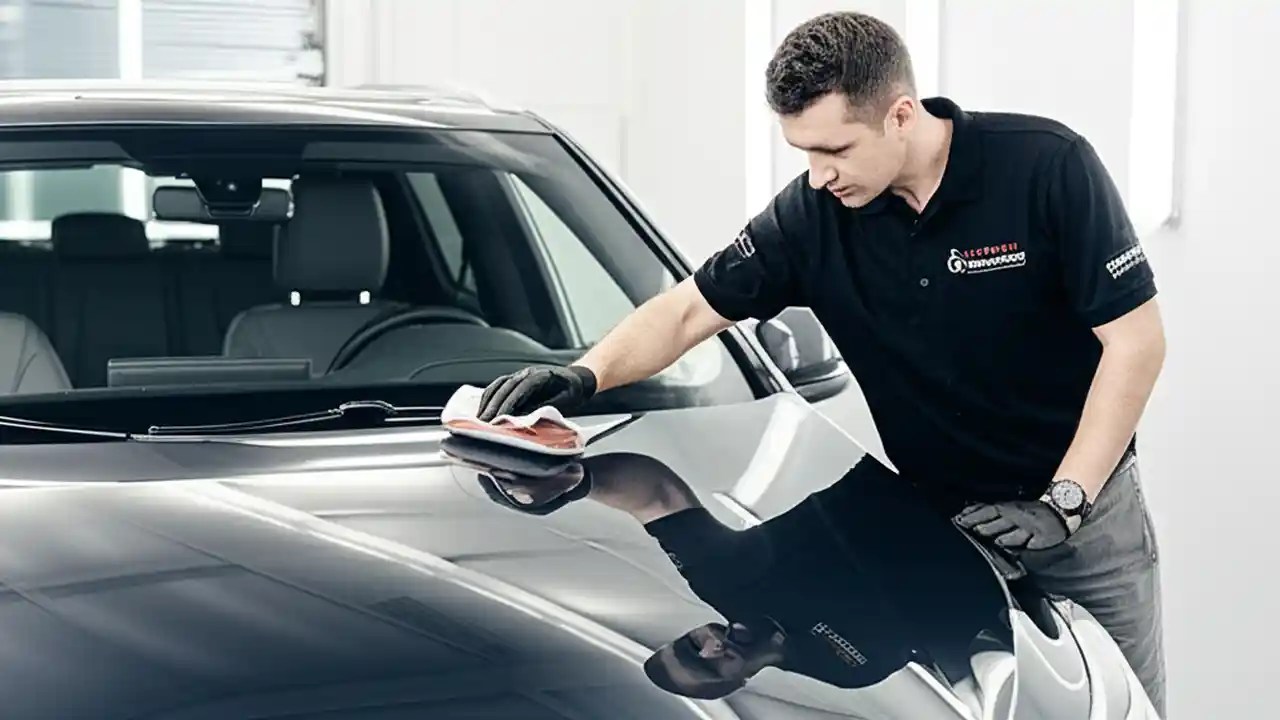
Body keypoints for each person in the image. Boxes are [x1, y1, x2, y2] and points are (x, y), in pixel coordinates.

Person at [473, 10, 1166, 714]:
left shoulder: (1045, 166)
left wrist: (1065, 501)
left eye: (834, 149)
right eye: (802, 151)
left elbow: (1135, 342)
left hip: (1084, 522)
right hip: (938, 529)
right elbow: (688, 311)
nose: (818, 175)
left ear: (901, 115)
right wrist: (582, 377)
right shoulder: (813, 215)